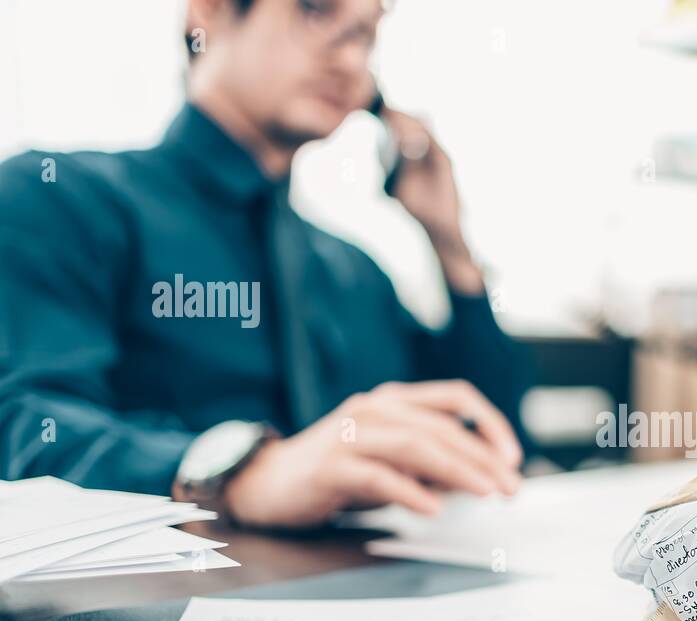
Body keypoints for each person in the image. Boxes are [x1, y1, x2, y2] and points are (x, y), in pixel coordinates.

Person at [0, 0, 529, 527]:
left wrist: (451, 245)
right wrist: (238, 474)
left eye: (365, 35)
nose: (349, 59)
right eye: (316, 12)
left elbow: (488, 446)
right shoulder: (59, 201)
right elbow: (21, 425)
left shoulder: (356, 274)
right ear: (208, 11)